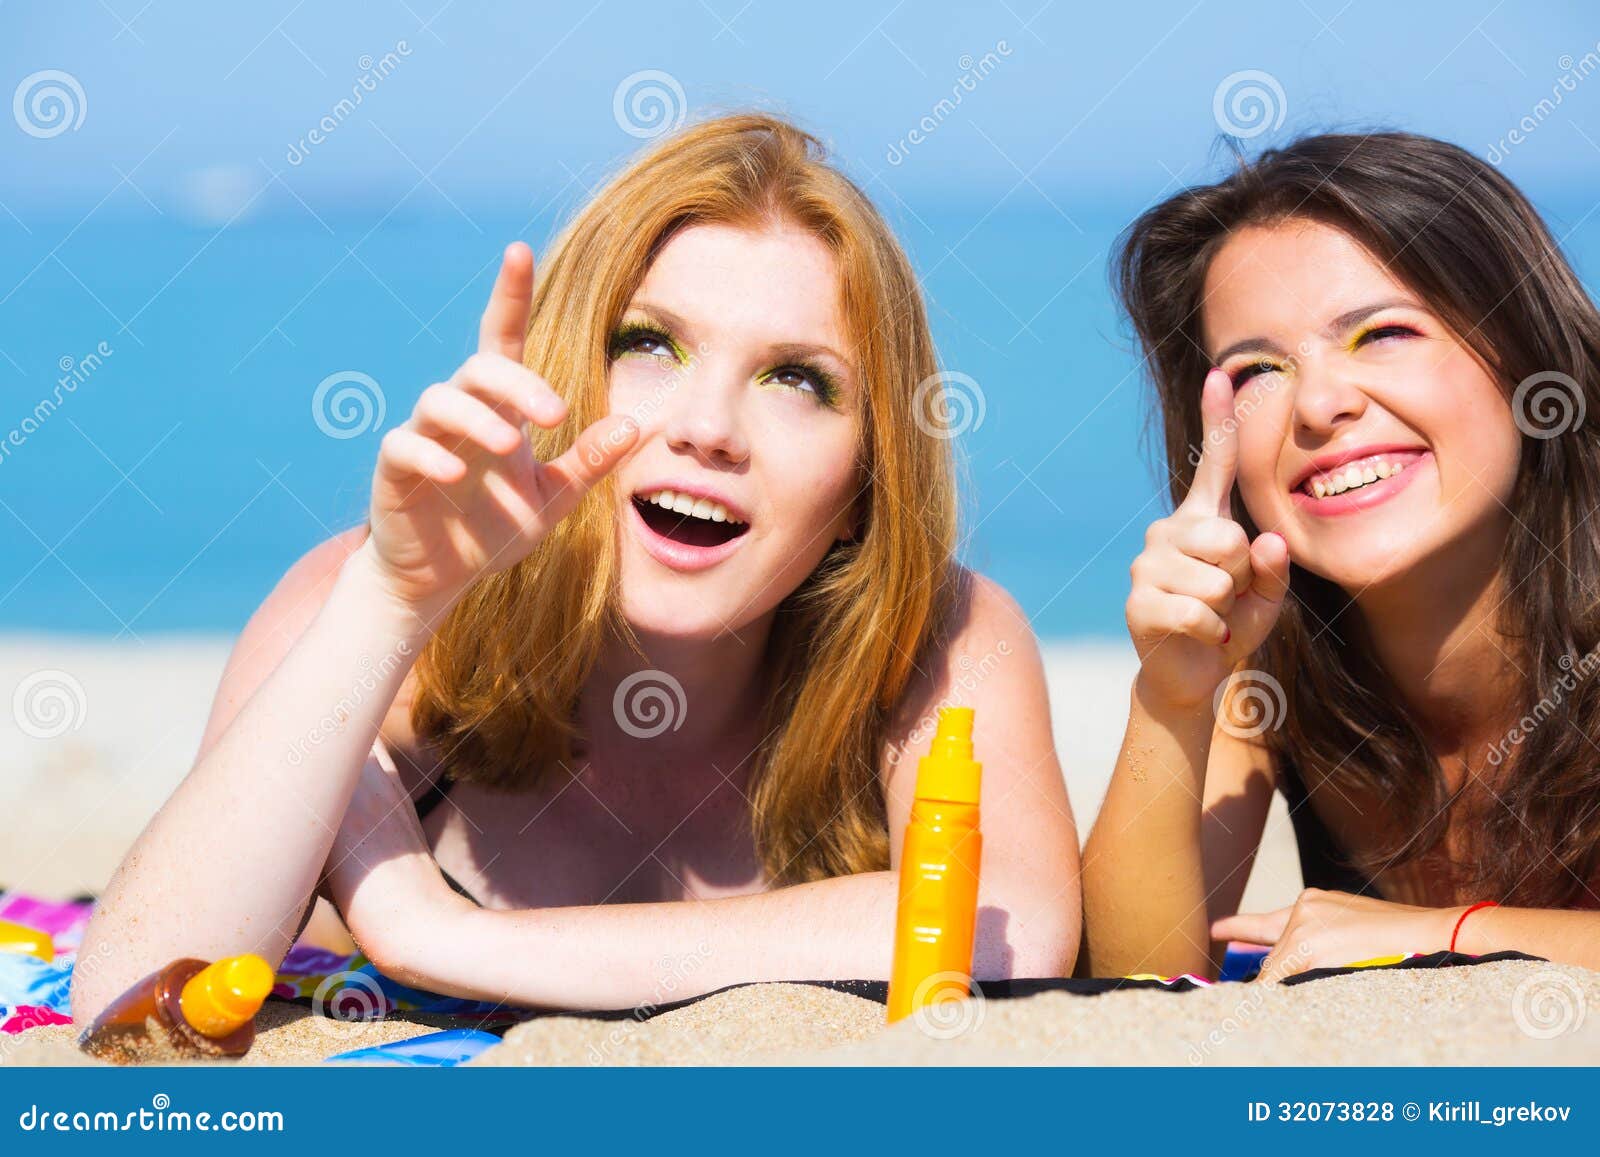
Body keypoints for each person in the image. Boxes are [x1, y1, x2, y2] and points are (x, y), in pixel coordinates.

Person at [75, 114, 1078, 1022]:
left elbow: (1014, 932)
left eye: (795, 379)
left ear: (868, 479)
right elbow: (132, 988)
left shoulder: (943, 636)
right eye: (649, 345)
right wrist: (389, 603)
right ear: (557, 380)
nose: (706, 428)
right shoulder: (358, 601)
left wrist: (443, 938)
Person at [1084, 132, 1600, 981]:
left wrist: (1447, 933)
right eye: (1258, 371)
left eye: (1382, 334)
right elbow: (1135, 982)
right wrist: (1169, 696)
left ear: (1528, 352)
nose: (1320, 404)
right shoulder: (1273, 668)